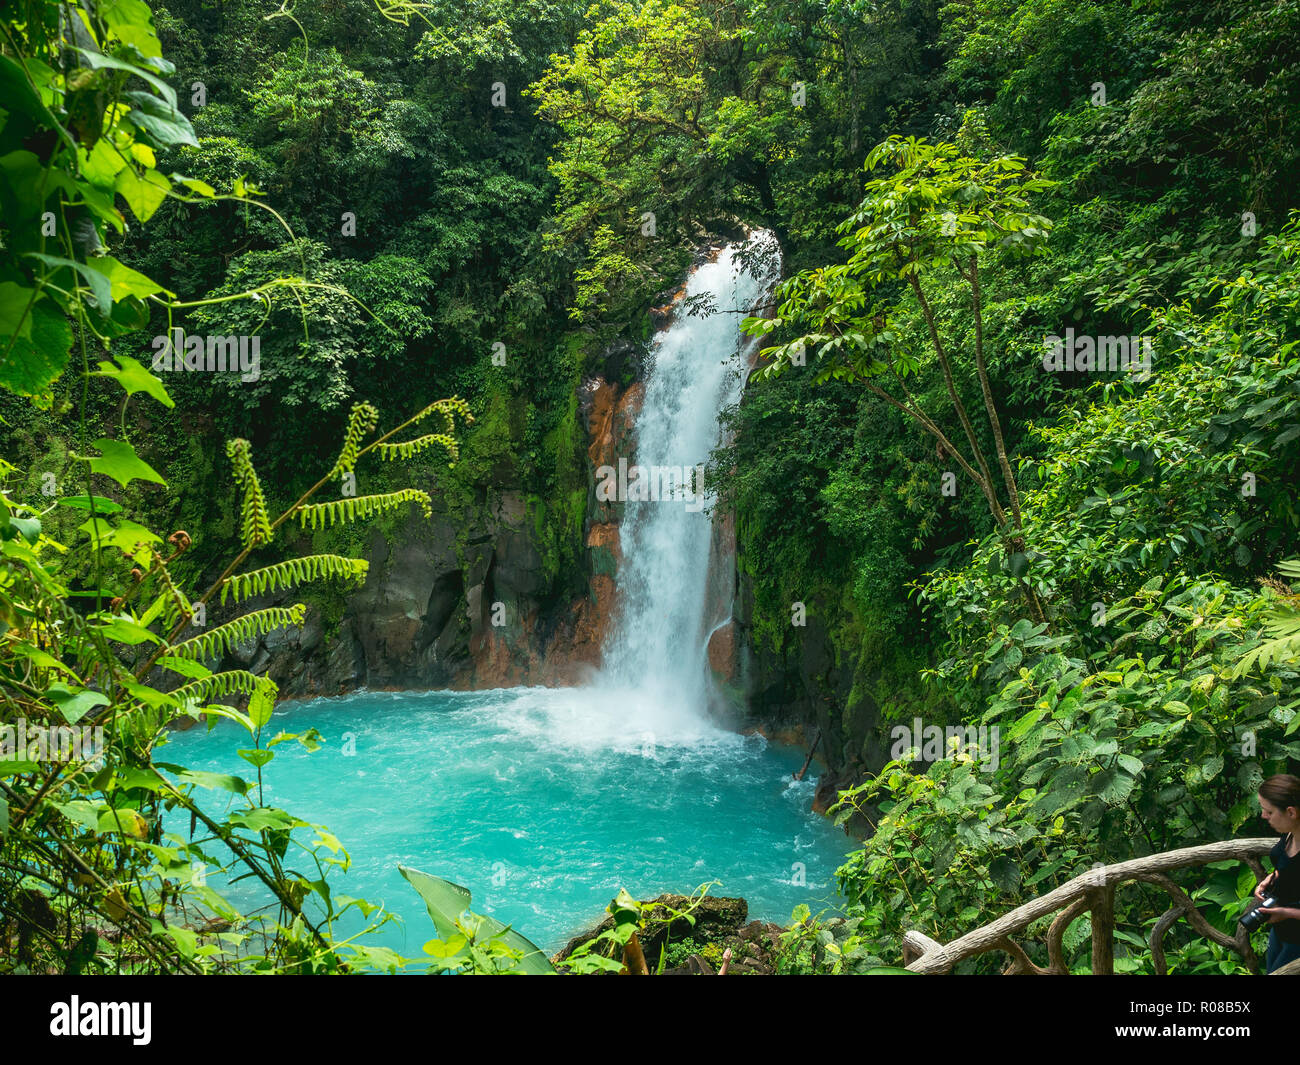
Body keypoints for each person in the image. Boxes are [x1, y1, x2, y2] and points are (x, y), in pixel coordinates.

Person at [1254, 774, 1300, 973]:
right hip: (1282, 932)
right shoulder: (1291, 833)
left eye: (1269, 811)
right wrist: (1272, 877)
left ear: (1291, 812)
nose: (1264, 816)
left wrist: (1286, 913)